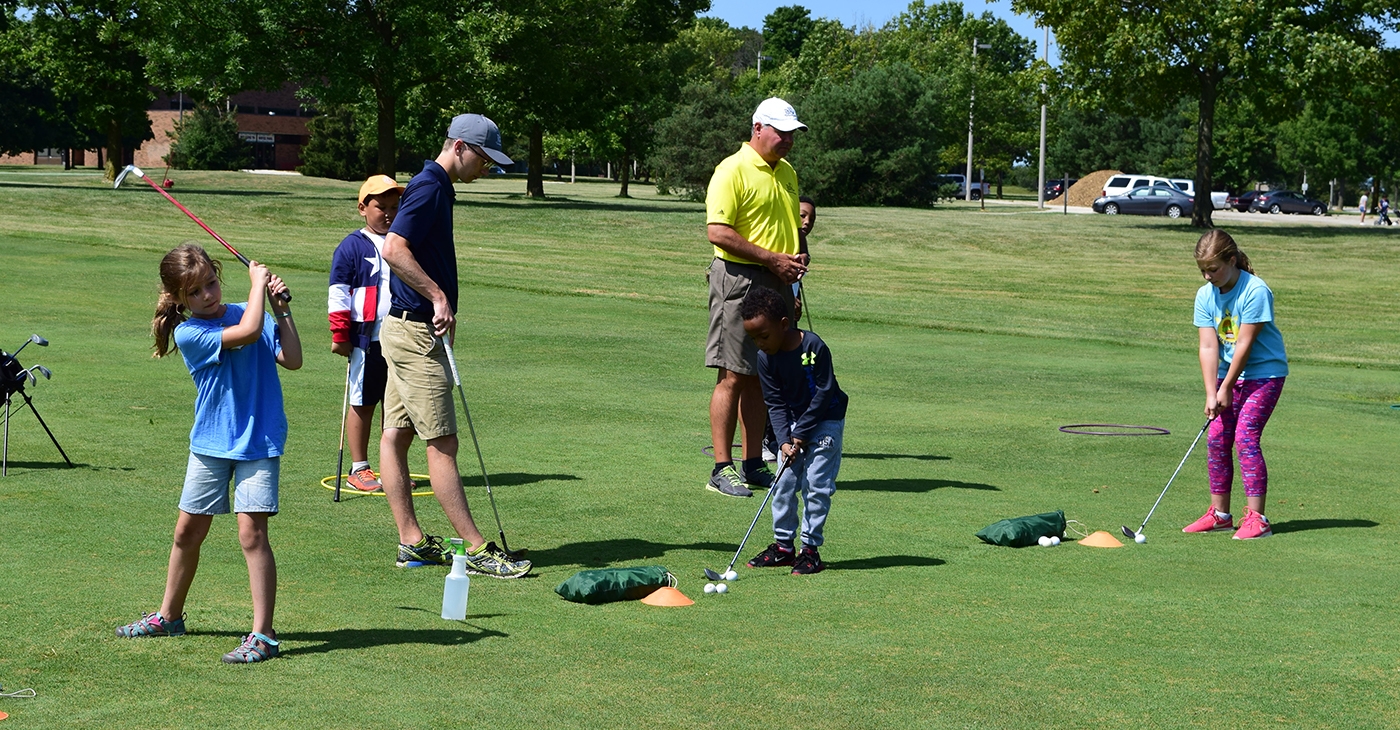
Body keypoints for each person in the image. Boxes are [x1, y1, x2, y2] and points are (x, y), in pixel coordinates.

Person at [117, 243, 302, 663]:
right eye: (196, 291)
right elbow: (250, 333)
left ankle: (264, 634)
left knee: (252, 534)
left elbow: (292, 359)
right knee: (187, 532)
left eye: (212, 284)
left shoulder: (247, 309)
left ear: (220, 277)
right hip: (211, 445)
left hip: (258, 441)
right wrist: (258, 287)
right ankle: (169, 616)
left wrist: (281, 308)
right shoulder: (189, 333)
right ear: (181, 300)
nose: (208, 295)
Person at [376, 113, 531, 577]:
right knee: (442, 442)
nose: (488, 169)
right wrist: (438, 296)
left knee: (396, 435)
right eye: (484, 159)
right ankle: (478, 548)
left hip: (405, 330)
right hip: (416, 334)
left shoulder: (438, 188)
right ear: (460, 147)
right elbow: (394, 248)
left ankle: (413, 542)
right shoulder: (428, 187)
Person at [704, 97, 810, 497]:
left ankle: (751, 464)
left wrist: (798, 253)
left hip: (779, 279)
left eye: (792, 134)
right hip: (739, 278)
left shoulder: (786, 171)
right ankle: (721, 467)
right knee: (732, 374)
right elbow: (719, 231)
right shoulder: (731, 170)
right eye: (780, 132)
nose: (787, 140)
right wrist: (771, 258)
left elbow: (790, 223)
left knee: (763, 375)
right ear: (757, 129)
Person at [1185, 230, 1287, 540]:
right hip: (1229, 375)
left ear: (1232, 260)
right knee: (1216, 438)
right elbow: (1208, 347)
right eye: (1203, 269)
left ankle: (1258, 519)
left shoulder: (1255, 291)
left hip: (1264, 374)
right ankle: (1220, 515)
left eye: (1213, 269)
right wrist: (1210, 391)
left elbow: (1244, 343)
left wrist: (1226, 386)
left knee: (1245, 437)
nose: (1207, 275)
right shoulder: (1205, 294)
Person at [740, 286, 847, 574]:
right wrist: (784, 441)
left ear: (784, 325)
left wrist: (800, 433)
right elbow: (774, 403)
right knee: (783, 483)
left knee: (816, 484)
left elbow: (824, 394)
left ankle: (810, 549)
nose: (759, 343)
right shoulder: (765, 359)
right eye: (753, 338)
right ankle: (784, 547)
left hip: (827, 420)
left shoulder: (814, 347)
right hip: (792, 424)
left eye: (764, 336)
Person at [328, 175, 403, 491]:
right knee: (363, 400)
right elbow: (339, 292)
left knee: (396, 405)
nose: (387, 213)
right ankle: (359, 468)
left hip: (401, 338)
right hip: (365, 339)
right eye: (380, 206)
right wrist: (340, 334)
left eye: (394, 207)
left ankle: (393, 469)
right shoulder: (351, 246)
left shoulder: (403, 241)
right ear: (362, 208)